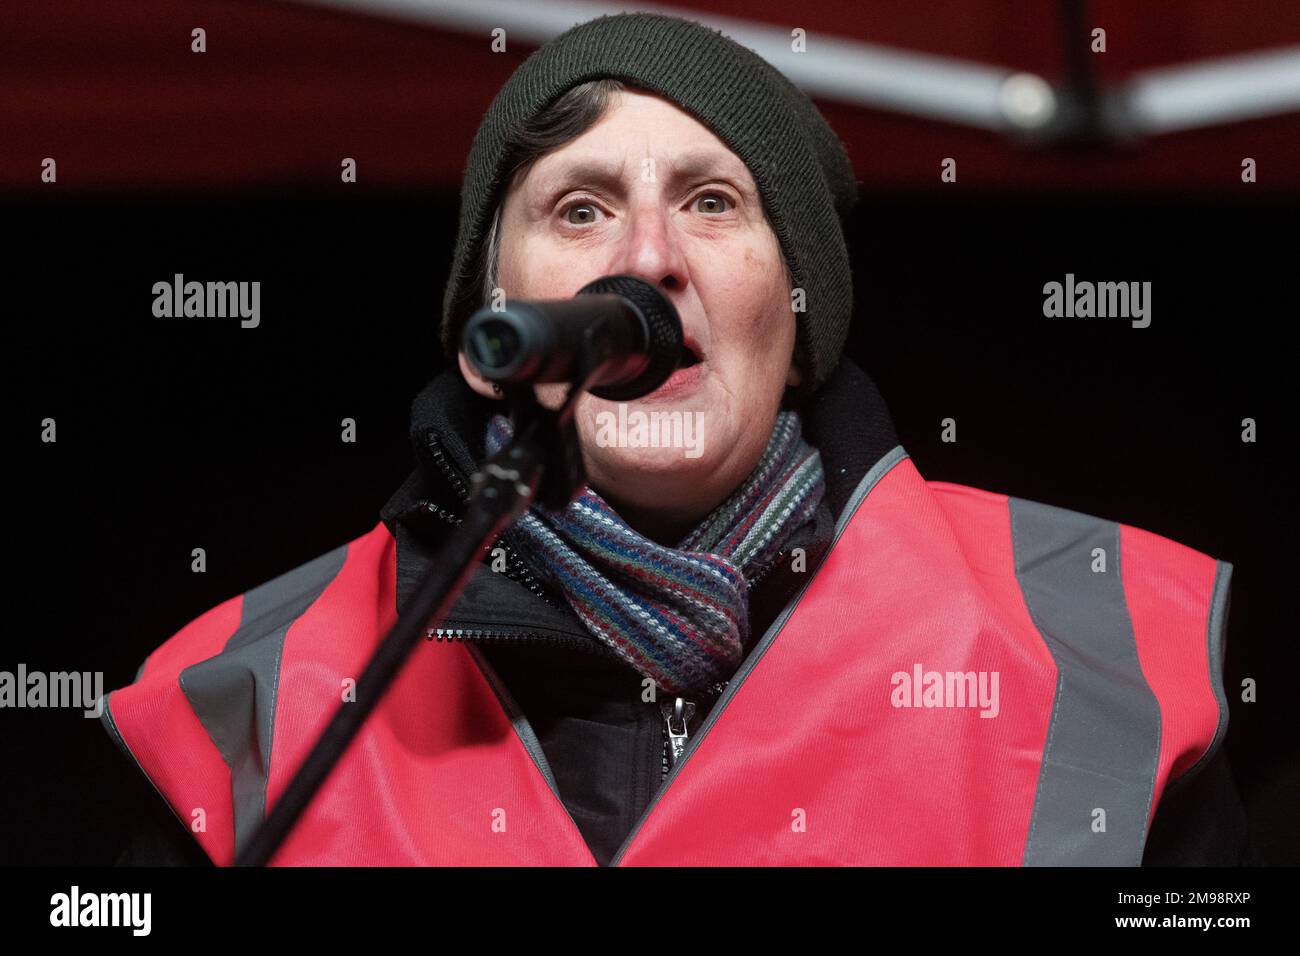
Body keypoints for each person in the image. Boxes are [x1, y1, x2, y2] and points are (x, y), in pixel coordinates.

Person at [100, 12, 1251, 867]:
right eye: (580, 208)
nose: (646, 257)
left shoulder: (1095, 637)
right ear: (490, 325)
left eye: (711, 201)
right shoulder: (243, 692)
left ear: (799, 310)